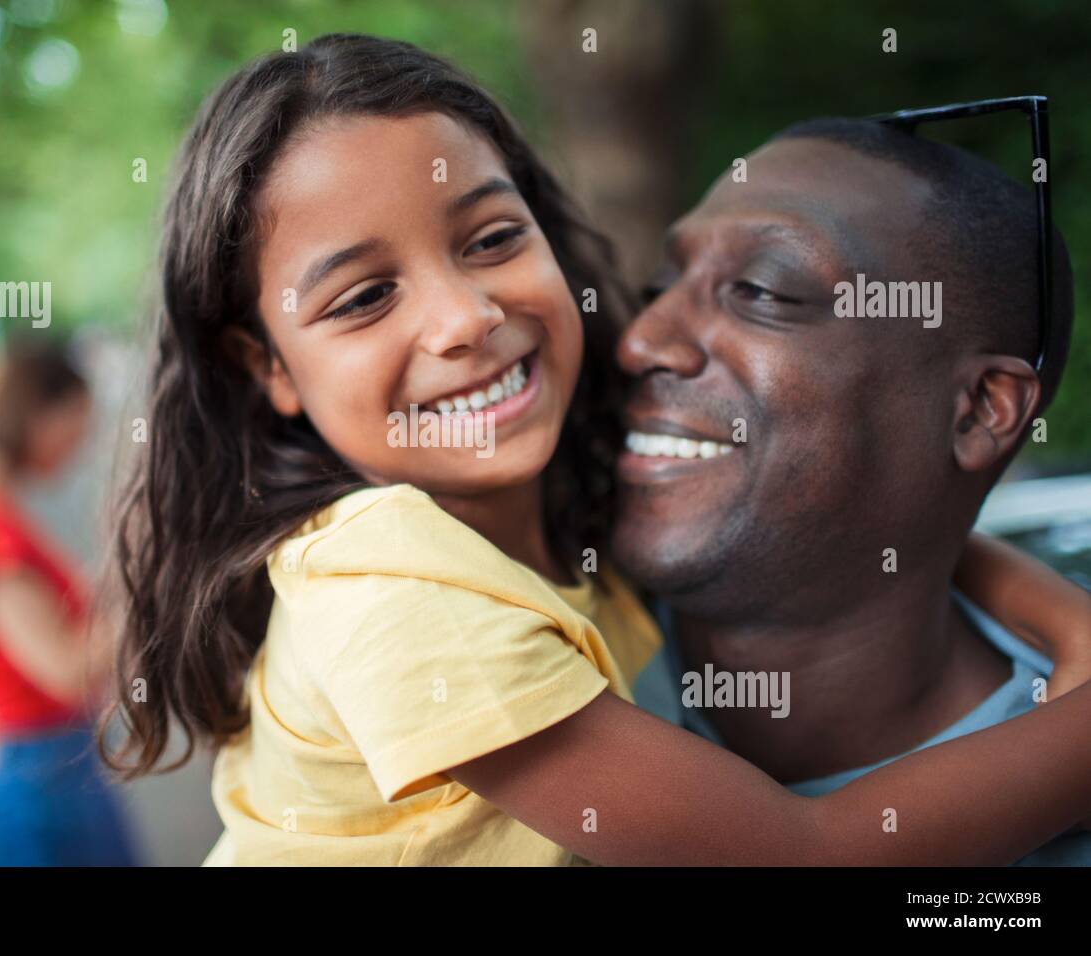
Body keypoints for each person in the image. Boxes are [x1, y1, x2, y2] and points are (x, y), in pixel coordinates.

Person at [104, 34, 1091, 866]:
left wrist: (1063, 618)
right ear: (267, 366)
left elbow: (882, 508)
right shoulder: (386, 585)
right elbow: (806, 851)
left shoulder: (564, 520)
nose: (464, 316)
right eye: (362, 297)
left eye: (490, 239)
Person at [613, 117, 1091, 864]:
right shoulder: (525, 626)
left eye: (763, 289)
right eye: (659, 287)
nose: (641, 339)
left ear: (978, 409)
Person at [0, 341, 137, 866]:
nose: (79, 445)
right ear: (39, 412)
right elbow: (65, 669)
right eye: (78, 424)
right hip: (36, 782)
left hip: (41, 771)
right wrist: (146, 591)